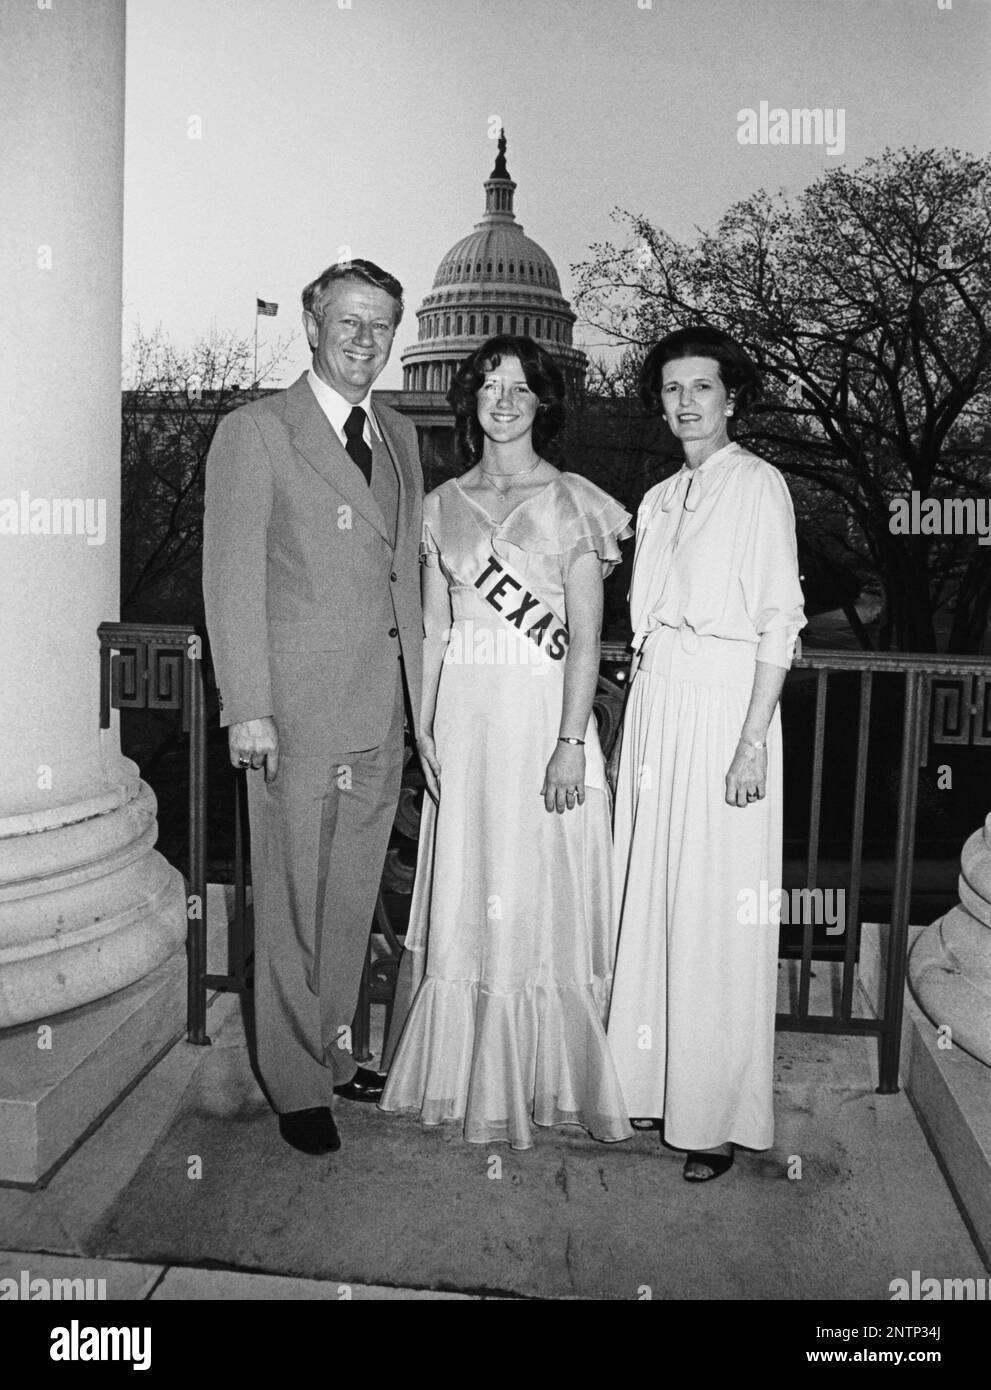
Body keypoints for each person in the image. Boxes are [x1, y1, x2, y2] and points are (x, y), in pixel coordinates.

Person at [379, 335, 633, 1151]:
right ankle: (464, 1076)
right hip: (468, 721)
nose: (504, 398)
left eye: (520, 387)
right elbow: (430, 625)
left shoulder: (576, 502)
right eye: (489, 384)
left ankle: (546, 1076)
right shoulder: (439, 505)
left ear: (544, 403)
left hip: (544, 724)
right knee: (472, 884)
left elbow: (587, 643)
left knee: (540, 889)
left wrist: (569, 741)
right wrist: (424, 726)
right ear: (470, 400)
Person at [202, 259, 423, 1155]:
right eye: (349, 321)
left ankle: (332, 1055)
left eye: (380, 325)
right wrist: (246, 707)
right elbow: (229, 578)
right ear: (311, 323)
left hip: (382, 713)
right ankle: (296, 1085)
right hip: (293, 716)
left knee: (345, 902)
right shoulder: (255, 433)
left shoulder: (401, 432)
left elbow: (403, 569)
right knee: (291, 903)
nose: (365, 340)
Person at [606, 325, 806, 1181]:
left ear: (731, 399)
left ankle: (713, 1118)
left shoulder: (758, 487)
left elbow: (778, 622)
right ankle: (649, 1084)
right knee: (650, 900)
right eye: (671, 389)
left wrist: (750, 743)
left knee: (718, 916)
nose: (684, 403)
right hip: (657, 707)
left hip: (728, 708)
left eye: (701, 388)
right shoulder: (656, 499)